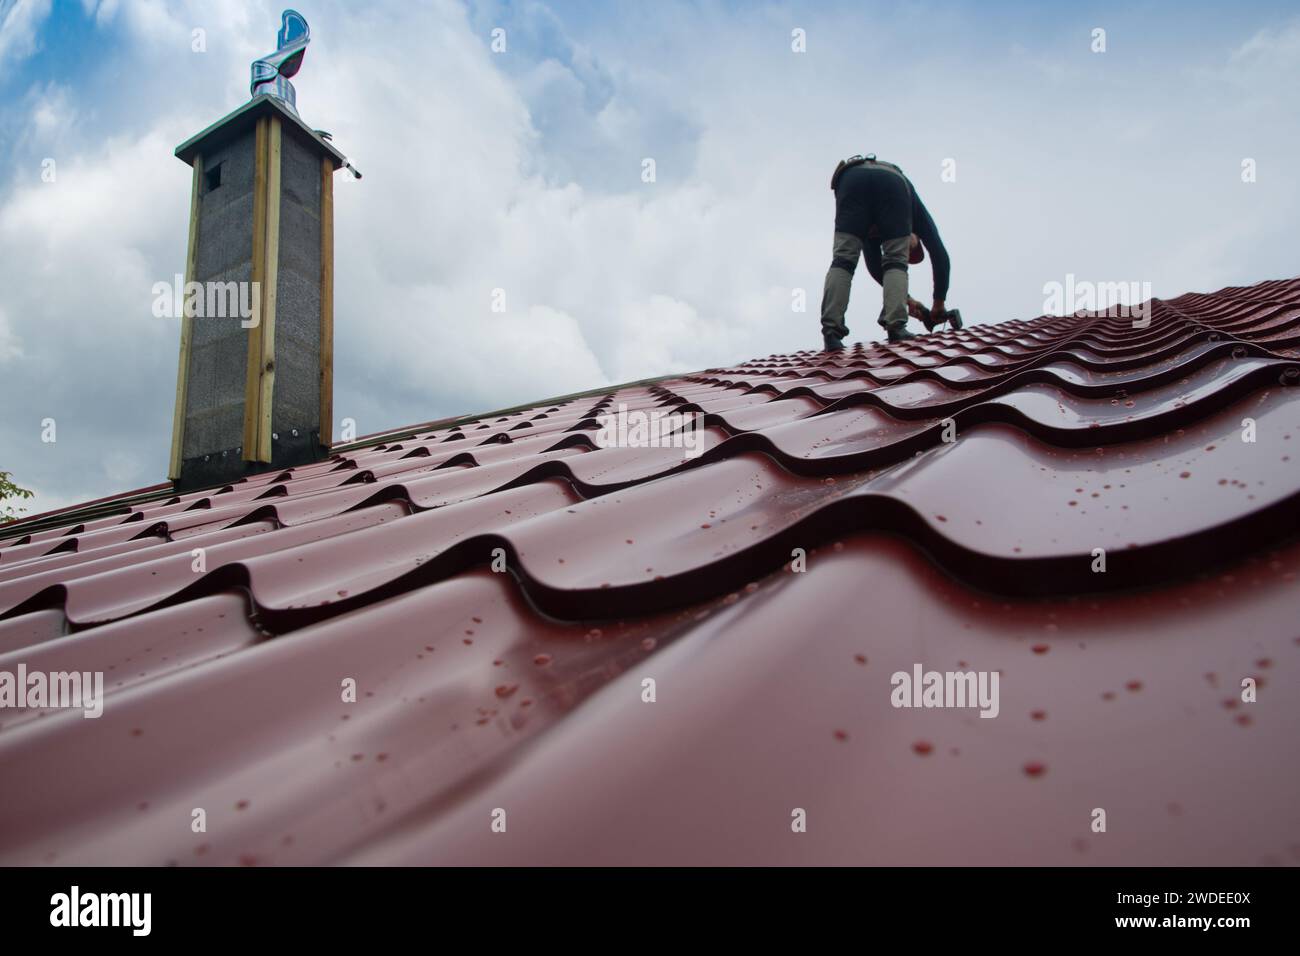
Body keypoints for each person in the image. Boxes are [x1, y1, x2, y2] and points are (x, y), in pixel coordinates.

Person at [820, 154, 951, 349]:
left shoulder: (874, 235)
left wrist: (908, 300)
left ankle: (831, 334)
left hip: (851, 179)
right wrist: (939, 303)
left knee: (843, 260)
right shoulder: (914, 212)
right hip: (891, 182)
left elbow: (876, 268)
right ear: (912, 233)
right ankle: (896, 327)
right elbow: (940, 254)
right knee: (894, 260)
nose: (907, 249)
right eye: (911, 246)